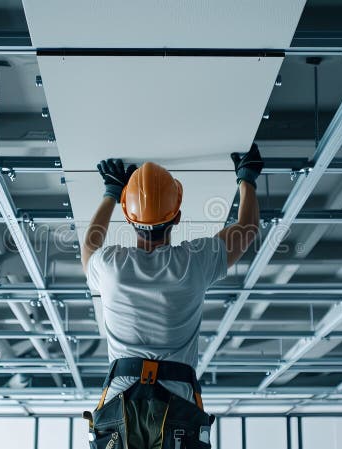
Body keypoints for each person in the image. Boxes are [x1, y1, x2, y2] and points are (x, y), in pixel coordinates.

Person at [81, 144, 263, 449]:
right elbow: (246, 229)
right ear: (176, 217)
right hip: (159, 400)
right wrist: (112, 191)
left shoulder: (112, 266)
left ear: (129, 217)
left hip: (140, 397)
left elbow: (88, 248)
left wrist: (247, 174)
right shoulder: (193, 262)